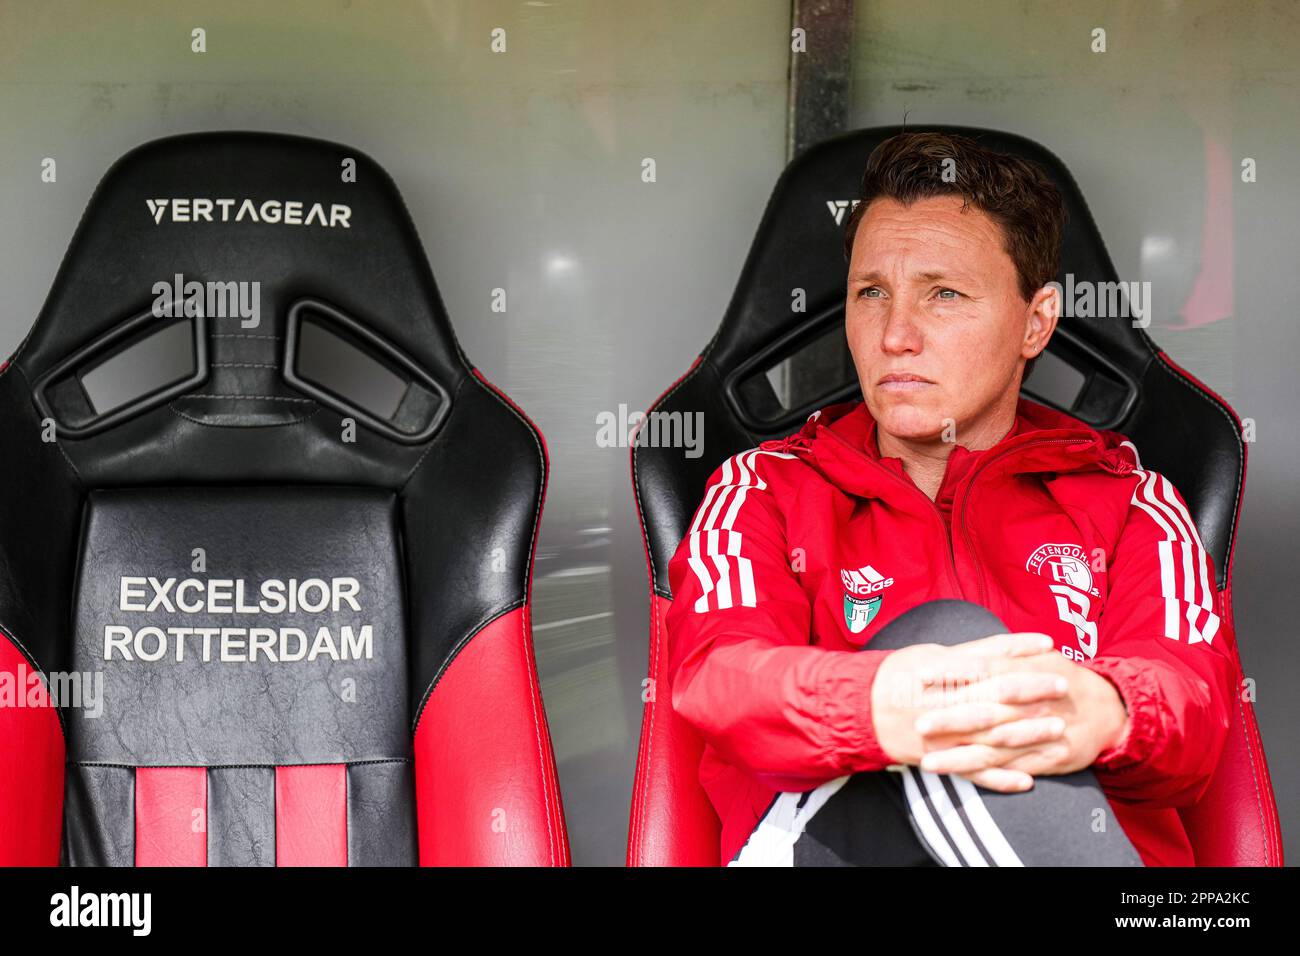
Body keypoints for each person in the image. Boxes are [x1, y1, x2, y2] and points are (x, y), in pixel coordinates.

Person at [663, 131, 1236, 866]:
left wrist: (1107, 712)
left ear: (1037, 321)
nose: (896, 335)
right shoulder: (763, 490)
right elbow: (719, 673)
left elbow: (1192, 704)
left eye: (944, 294)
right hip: (829, 843)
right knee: (948, 634)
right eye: (872, 293)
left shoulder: (1130, 503)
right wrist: (879, 703)